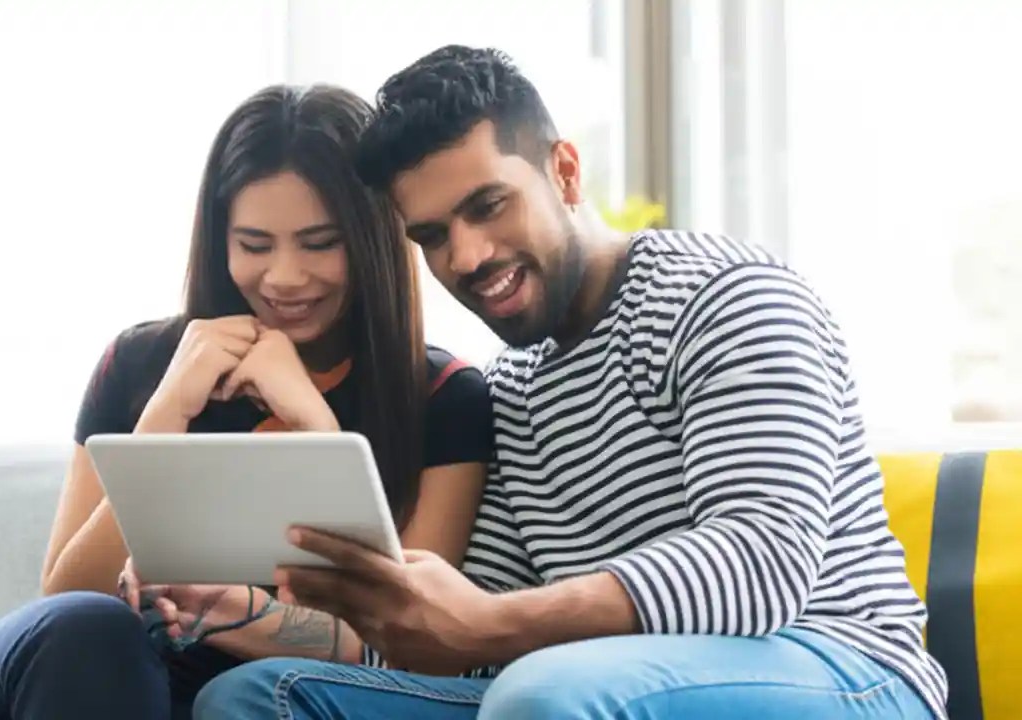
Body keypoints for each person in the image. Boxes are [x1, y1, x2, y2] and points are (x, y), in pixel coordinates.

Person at [190, 46, 950, 720]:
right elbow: (473, 631)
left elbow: (761, 565)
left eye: (488, 206)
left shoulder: (729, 294)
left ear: (565, 170)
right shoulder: (512, 388)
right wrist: (290, 613)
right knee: (261, 699)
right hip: (587, 688)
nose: (467, 256)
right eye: (432, 235)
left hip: (845, 674)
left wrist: (489, 624)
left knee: (542, 695)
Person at [0, 84, 493, 720]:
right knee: (92, 630)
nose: (283, 277)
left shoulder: (445, 399)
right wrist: (167, 416)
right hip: (56, 678)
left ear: (370, 239)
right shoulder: (139, 362)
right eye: (254, 245)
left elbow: (400, 642)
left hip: (234, 703)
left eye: (318, 242)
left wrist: (315, 423)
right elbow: (66, 593)